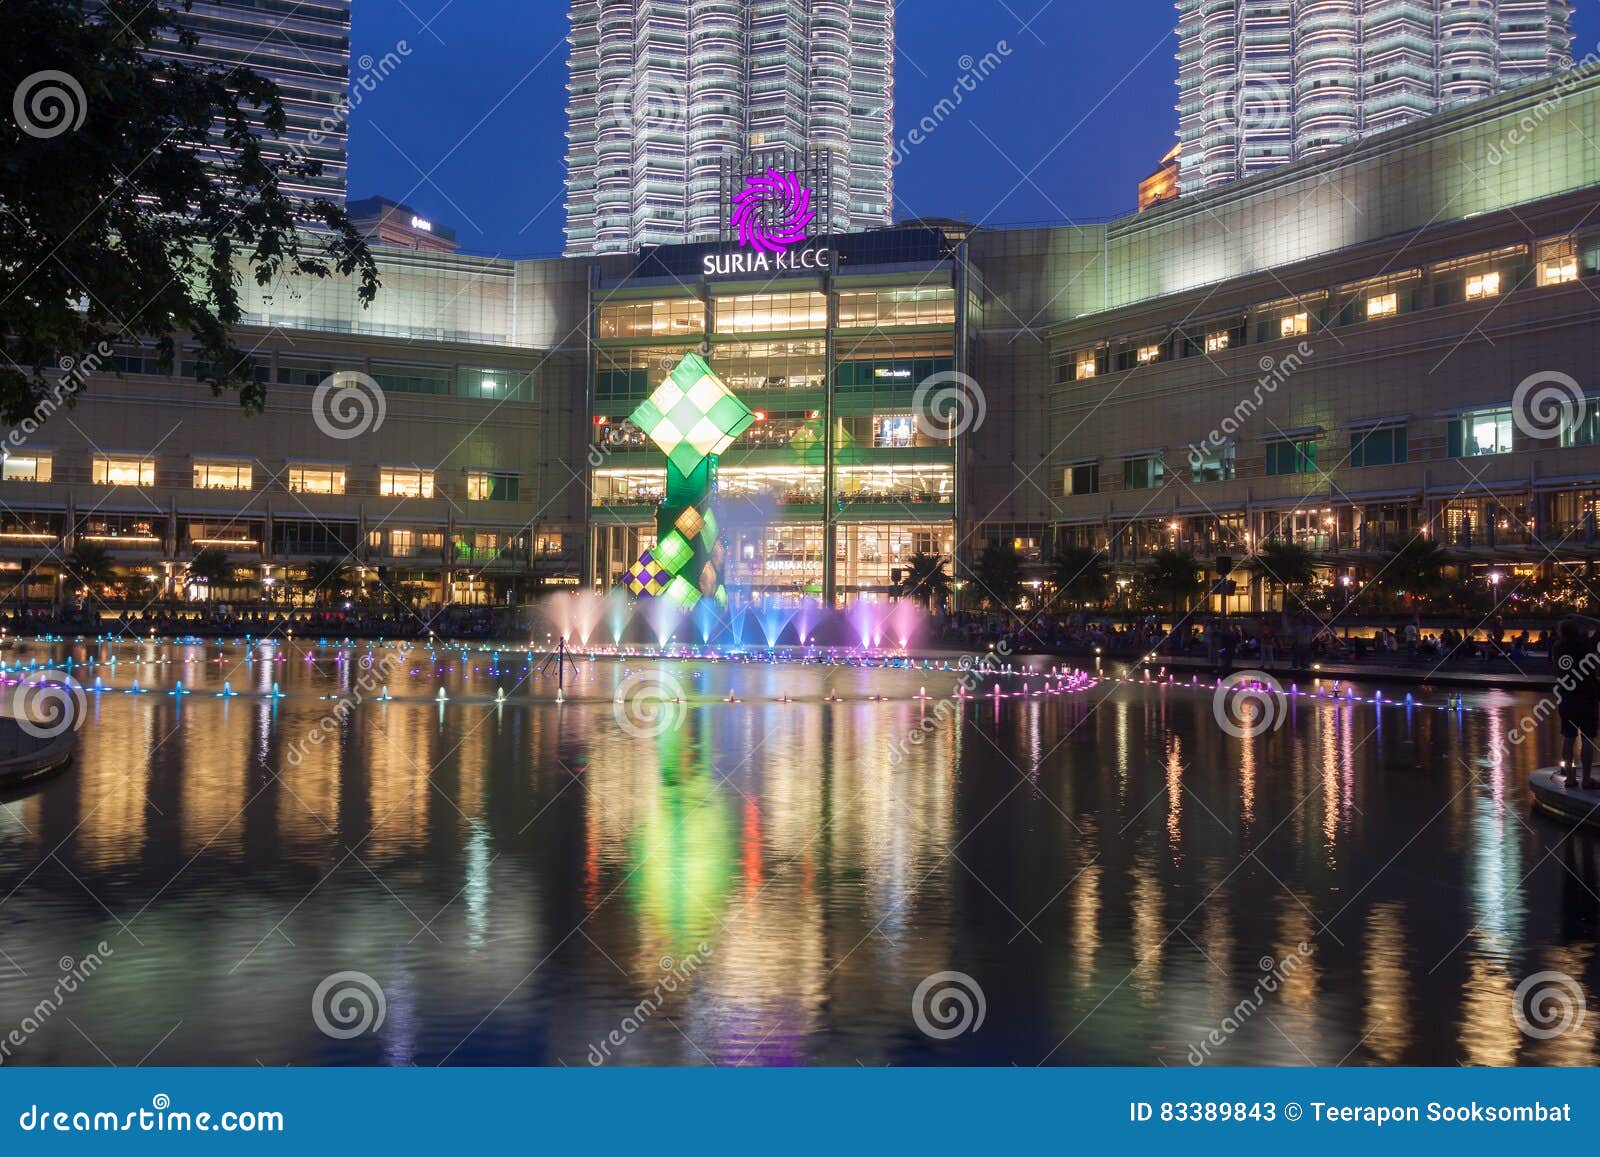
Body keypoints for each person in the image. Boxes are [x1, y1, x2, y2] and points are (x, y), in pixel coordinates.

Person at [1551, 617, 1600, 790]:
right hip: (1588, 696)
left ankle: (1571, 778)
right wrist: (1583, 618)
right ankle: (1586, 779)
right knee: (1588, 739)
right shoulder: (1588, 645)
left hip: (1567, 698)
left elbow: (1556, 670)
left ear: (1562, 633)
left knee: (1568, 738)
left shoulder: (1558, 647)